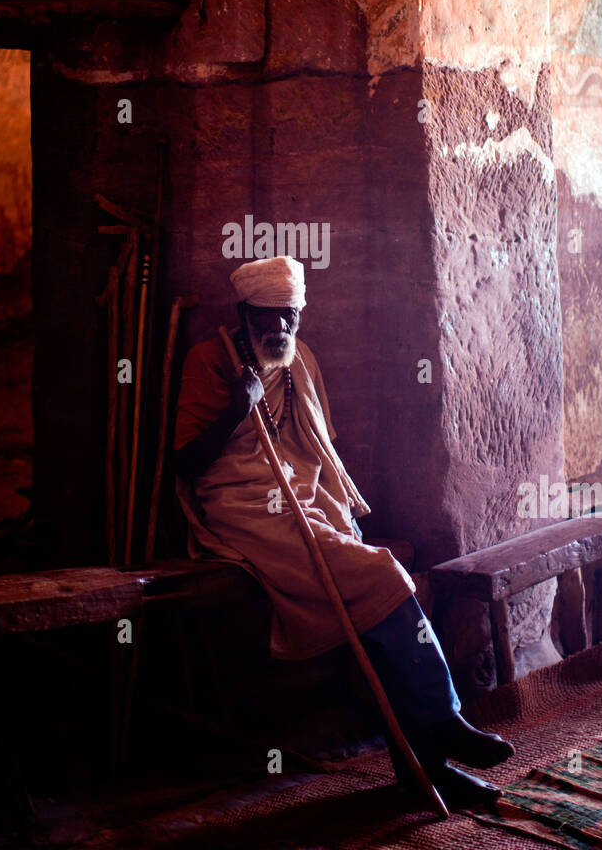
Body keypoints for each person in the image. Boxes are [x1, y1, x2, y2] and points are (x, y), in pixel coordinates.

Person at [174, 255, 514, 808]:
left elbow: (322, 452)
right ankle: (443, 721)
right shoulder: (209, 361)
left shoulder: (299, 359)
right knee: (383, 575)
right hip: (243, 511)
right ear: (243, 313)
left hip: (305, 503)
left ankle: (424, 769)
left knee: (377, 611)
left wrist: (342, 516)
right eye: (269, 318)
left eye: (291, 316)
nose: (281, 329)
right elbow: (186, 463)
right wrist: (237, 407)